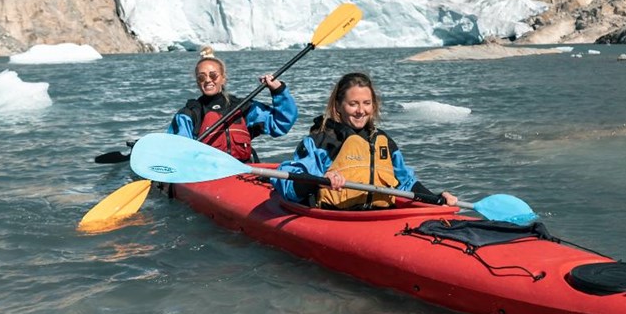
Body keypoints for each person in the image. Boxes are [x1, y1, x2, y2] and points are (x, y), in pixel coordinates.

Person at [272, 72, 457, 209]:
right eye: (353, 104)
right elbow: (287, 185)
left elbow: (406, 183)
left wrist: (436, 198)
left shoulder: (384, 142)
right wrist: (319, 180)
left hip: (380, 217)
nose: (361, 111)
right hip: (335, 218)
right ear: (338, 106)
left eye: (367, 103)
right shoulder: (321, 141)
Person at [166, 47, 298, 162]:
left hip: (243, 171)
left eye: (213, 75)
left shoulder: (243, 107)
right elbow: (178, 152)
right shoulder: (189, 114)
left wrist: (278, 90)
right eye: (201, 77)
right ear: (197, 81)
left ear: (223, 78)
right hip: (207, 175)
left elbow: (281, 123)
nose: (208, 80)